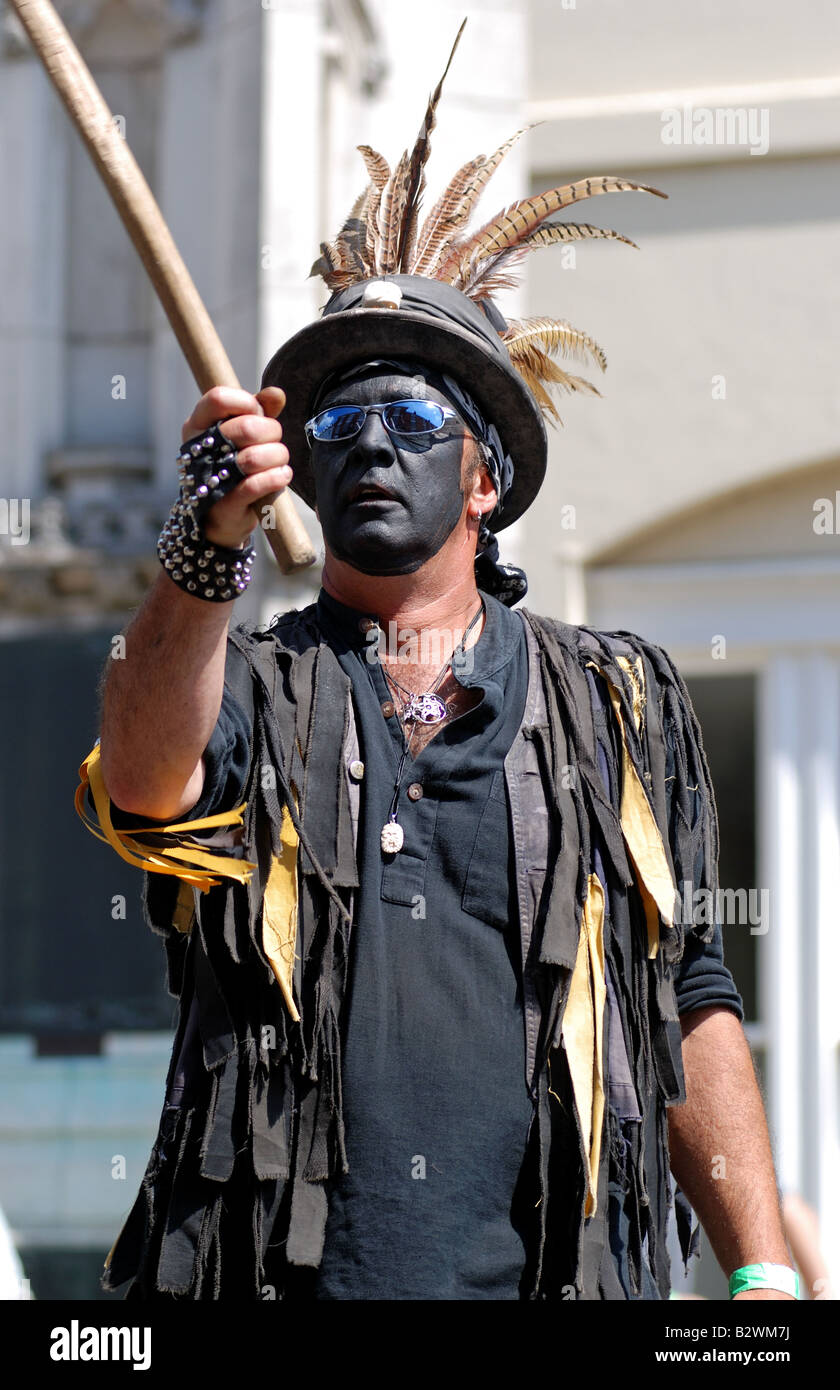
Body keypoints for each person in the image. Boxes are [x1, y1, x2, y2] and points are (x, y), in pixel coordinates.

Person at [78, 30, 797, 1302]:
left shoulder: (611, 702)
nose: (370, 444)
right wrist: (202, 547)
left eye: (413, 418)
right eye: (339, 420)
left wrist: (766, 1274)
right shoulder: (250, 683)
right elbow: (142, 784)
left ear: (484, 480)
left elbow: (686, 994)